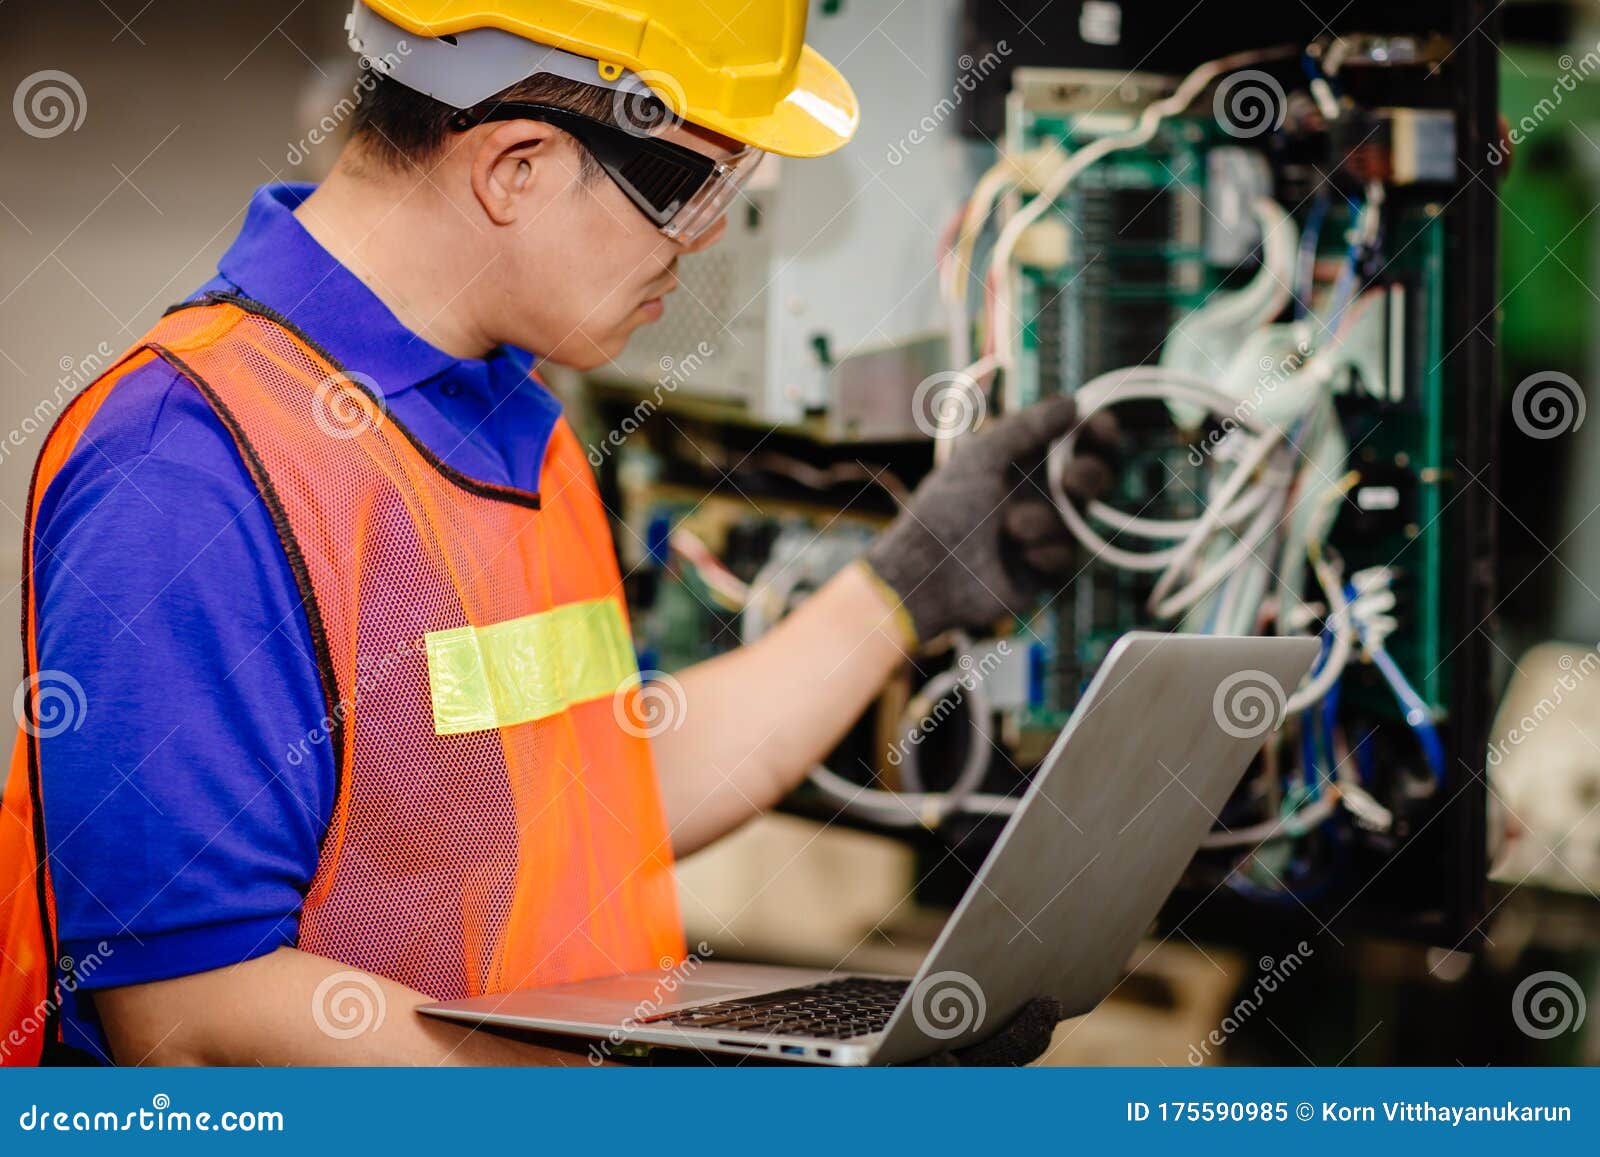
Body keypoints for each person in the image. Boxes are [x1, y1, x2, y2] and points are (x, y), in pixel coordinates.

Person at [0, 0, 1116, 1067]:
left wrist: (902, 592)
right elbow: (192, 1016)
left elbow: (588, 793)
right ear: (516, 166)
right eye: (692, 184)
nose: (706, 235)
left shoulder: (510, 414)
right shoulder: (189, 461)